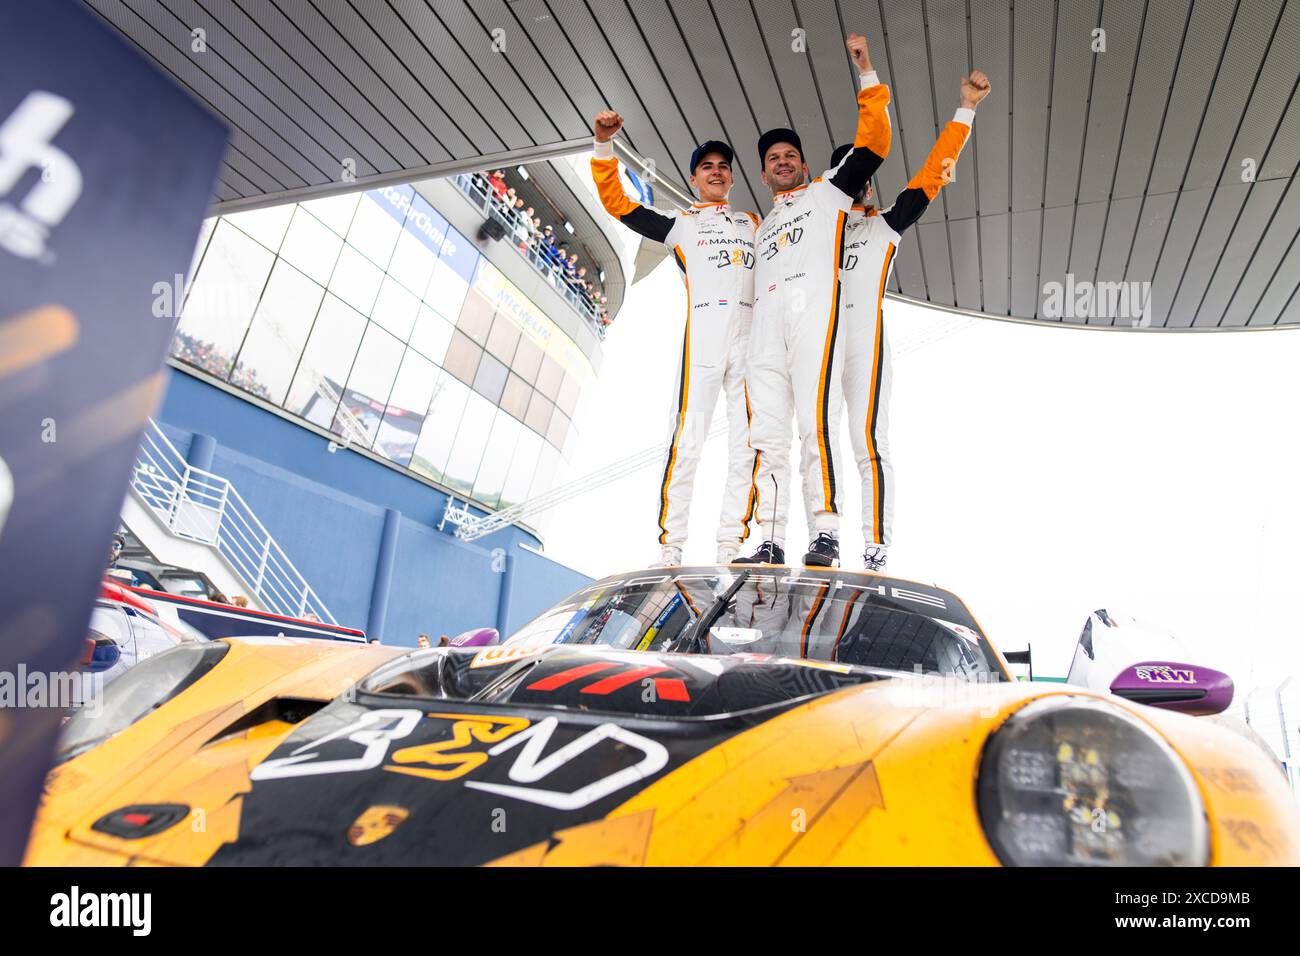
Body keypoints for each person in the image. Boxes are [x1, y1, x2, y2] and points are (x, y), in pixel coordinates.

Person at [738, 32, 892, 568]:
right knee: (768, 435)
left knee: (816, 424)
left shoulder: (829, 192)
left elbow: (874, 145)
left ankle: (825, 531)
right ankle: (771, 537)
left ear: (804, 165)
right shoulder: (760, 227)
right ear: (764, 172)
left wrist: (866, 72)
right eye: (773, 158)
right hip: (765, 334)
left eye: (791, 156)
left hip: (814, 322)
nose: (783, 162)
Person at [831, 70, 990, 571]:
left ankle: (875, 546)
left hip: (864, 346)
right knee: (813, 442)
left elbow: (932, 174)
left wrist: (966, 108)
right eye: (849, 178)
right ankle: (824, 536)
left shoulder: (886, 224)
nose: (860, 186)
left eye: (864, 177)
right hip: (815, 347)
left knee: (866, 442)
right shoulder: (814, 231)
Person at [590, 108, 761, 566]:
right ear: (693, 179)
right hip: (703, 339)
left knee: (749, 444)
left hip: (750, 340)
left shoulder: (752, 223)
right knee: (686, 441)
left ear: (731, 178)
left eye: (724, 167)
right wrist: (604, 146)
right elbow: (619, 205)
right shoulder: (679, 224)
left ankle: (730, 545)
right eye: (708, 167)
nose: (717, 172)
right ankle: (672, 547)